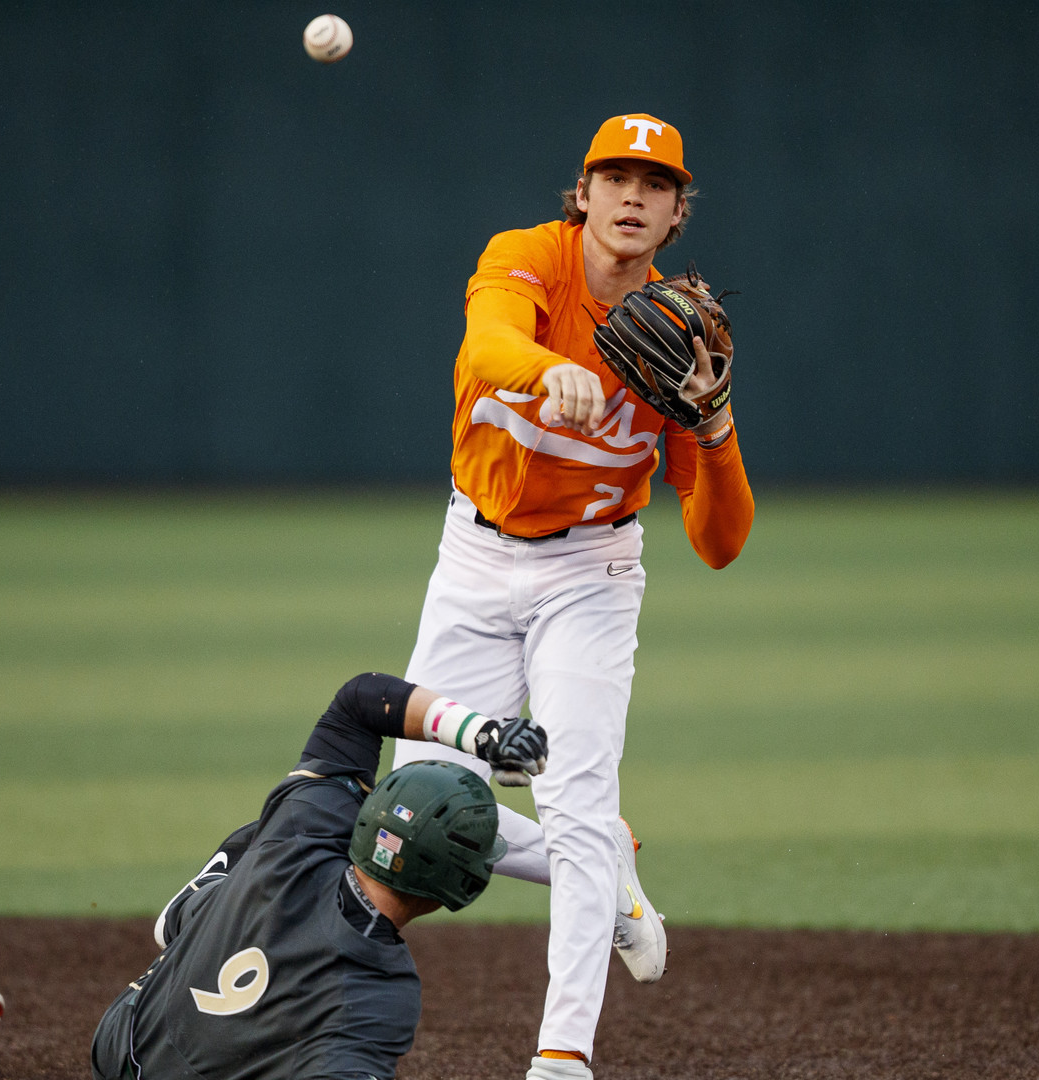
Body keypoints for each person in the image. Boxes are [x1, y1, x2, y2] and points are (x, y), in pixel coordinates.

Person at [389, 112, 755, 1080]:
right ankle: (605, 868)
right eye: (615, 178)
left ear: (676, 214)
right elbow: (486, 349)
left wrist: (714, 424)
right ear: (583, 194)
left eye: (656, 184)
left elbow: (720, 544)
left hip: (590, 574)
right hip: (473, 557)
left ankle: (562, 1056)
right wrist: (554, 367)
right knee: (413, 809)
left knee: (579, 797)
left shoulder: (681, 335)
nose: (633, 195)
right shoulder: (525, 257)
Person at [90, 672, 548, 1080]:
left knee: (265, 835)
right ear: (459, 888)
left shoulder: (307, 821)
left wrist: (483, 735)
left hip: (119, 1042)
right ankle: (200, 909)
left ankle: (199, 907)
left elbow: (360, 698)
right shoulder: (382, 990)